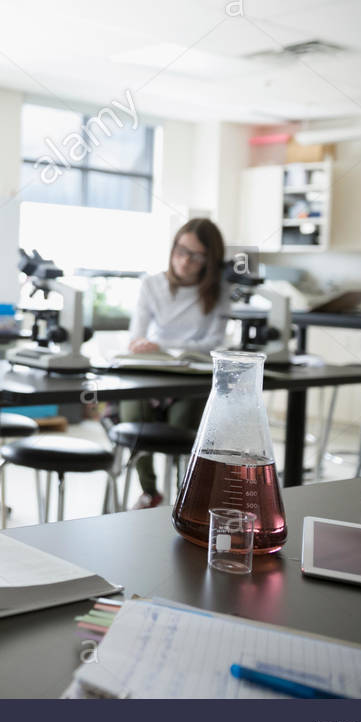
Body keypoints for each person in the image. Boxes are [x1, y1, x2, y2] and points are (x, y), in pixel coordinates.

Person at [120, 217, 231, 508]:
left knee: (181, 433)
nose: (184, 261)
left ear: (210, 260)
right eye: (181, 250)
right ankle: (150, 491)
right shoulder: (151, 285)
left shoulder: (219, 293)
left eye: (196, 256)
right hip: (151, 374)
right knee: (134, 422)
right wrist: (143, 345)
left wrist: (165, 345)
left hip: (191, 379)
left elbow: (214, 343)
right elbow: (136, 336)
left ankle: (187, 497)